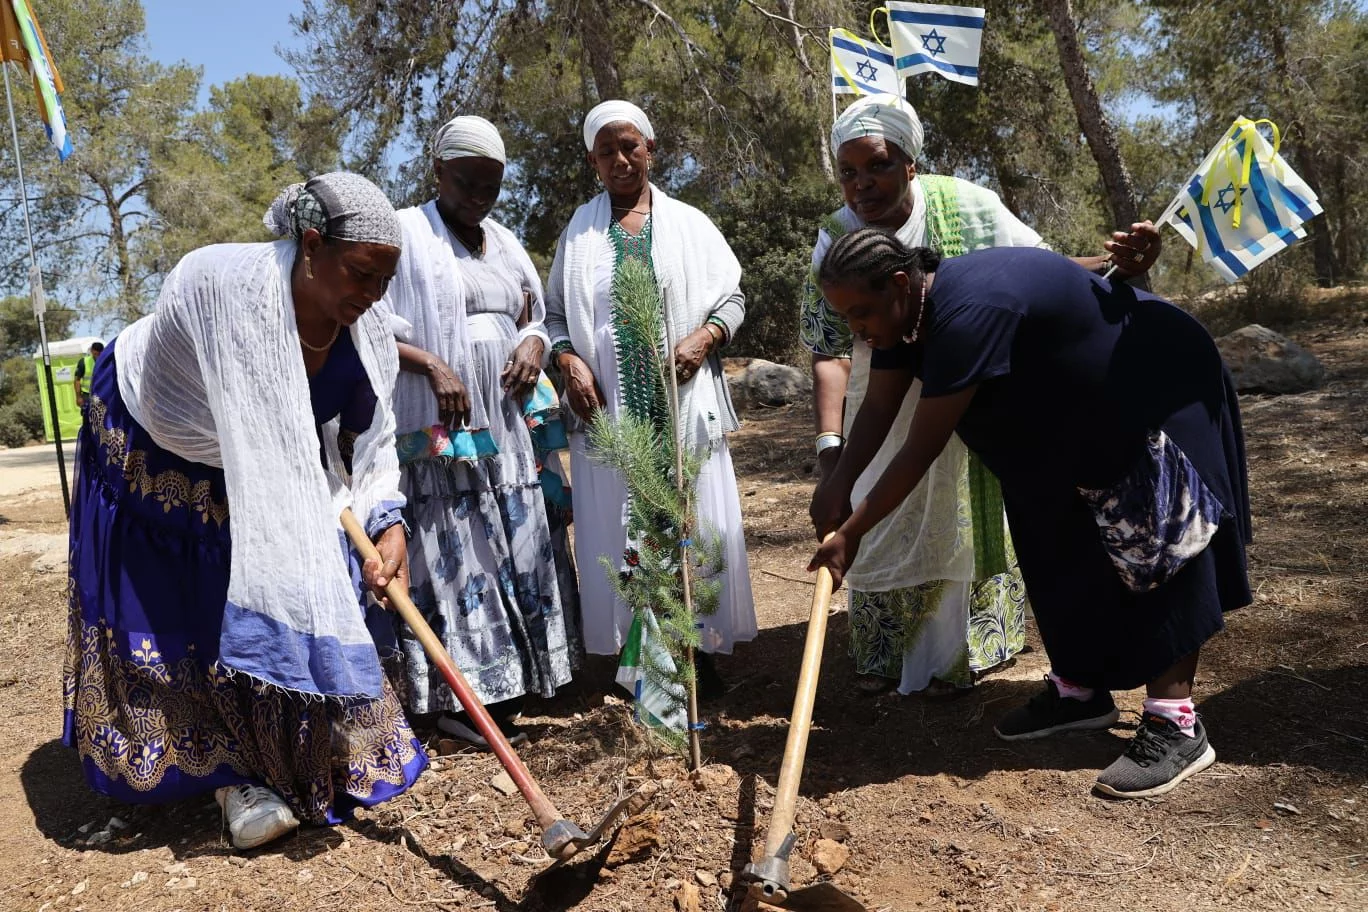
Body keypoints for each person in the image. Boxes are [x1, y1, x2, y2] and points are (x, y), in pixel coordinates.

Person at [809, 231, 1251, 798]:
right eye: (846, 317)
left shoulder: (967, 313)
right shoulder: (902, 311)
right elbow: (878, 403)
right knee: (1053, 541)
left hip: (1147, 388)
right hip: (1062, 425)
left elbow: (920, 448)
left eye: (860, 314)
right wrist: (837, 480)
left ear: (898, 284)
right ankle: (1080, 692)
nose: (856, 330)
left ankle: (1175, 722)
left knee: (1154, 547)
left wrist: (852, 533)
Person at [63, 172, 426, 850]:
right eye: (360, 275)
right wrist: (346, 538)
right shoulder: (224, 287)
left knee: (250, 578)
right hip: (155, 440)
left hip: (253, 459)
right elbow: (287, 471)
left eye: (384, 282)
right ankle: (221, 776)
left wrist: (385, 524)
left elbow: (369, 445)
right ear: (311, 245)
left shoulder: (365, 325)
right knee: (184, 602)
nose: (372, 296)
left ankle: (286, 753)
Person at [803, 93, 1161, 697]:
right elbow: (831, 351)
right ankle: (891, 655)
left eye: (878, 166)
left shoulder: (968, 206)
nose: (861, 185)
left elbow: (1037, 270)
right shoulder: (836, 238)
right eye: (848, 172)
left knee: (971, 521)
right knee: (888, 518)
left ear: (911, 163)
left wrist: (1114, 262)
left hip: (988, 392)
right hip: (884, 395)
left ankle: (968, 654)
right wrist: (834, 457)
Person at [382, 115, 580, 748]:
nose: (478, 196)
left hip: (509, 426)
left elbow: (535, 313)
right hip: (445, 430)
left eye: (490, 186)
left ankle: (527, 673)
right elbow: (371, 321)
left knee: (519, 542)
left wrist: (532, 343)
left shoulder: (504, 238)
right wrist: (435, 363)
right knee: (456, 550)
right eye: (466, 181)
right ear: (437, 171)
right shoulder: (406, 235)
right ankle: (457, 697)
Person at [545, 100, 756, 694]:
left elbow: (733, 299)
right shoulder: (579, 231)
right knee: (621, 525)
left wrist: (705, 337)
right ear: (593, 161)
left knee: (682, 516)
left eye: (629, 146)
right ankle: (640, 657)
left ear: (650, 149)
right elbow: (555, 312)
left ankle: (691, 649)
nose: (619, 159)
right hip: (611, 412)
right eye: (606, 151)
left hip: (679, 403)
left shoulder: (689, 224)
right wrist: (566, 360)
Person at [73, 340, 104, 412]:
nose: (97, 356)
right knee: (88, 416)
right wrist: (78, 397)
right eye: (95, 353)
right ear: (92, 351)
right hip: (87, 395)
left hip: (102, 394)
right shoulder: (84, 362)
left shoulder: (106, 361)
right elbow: (77, 380)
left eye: (99, 353)